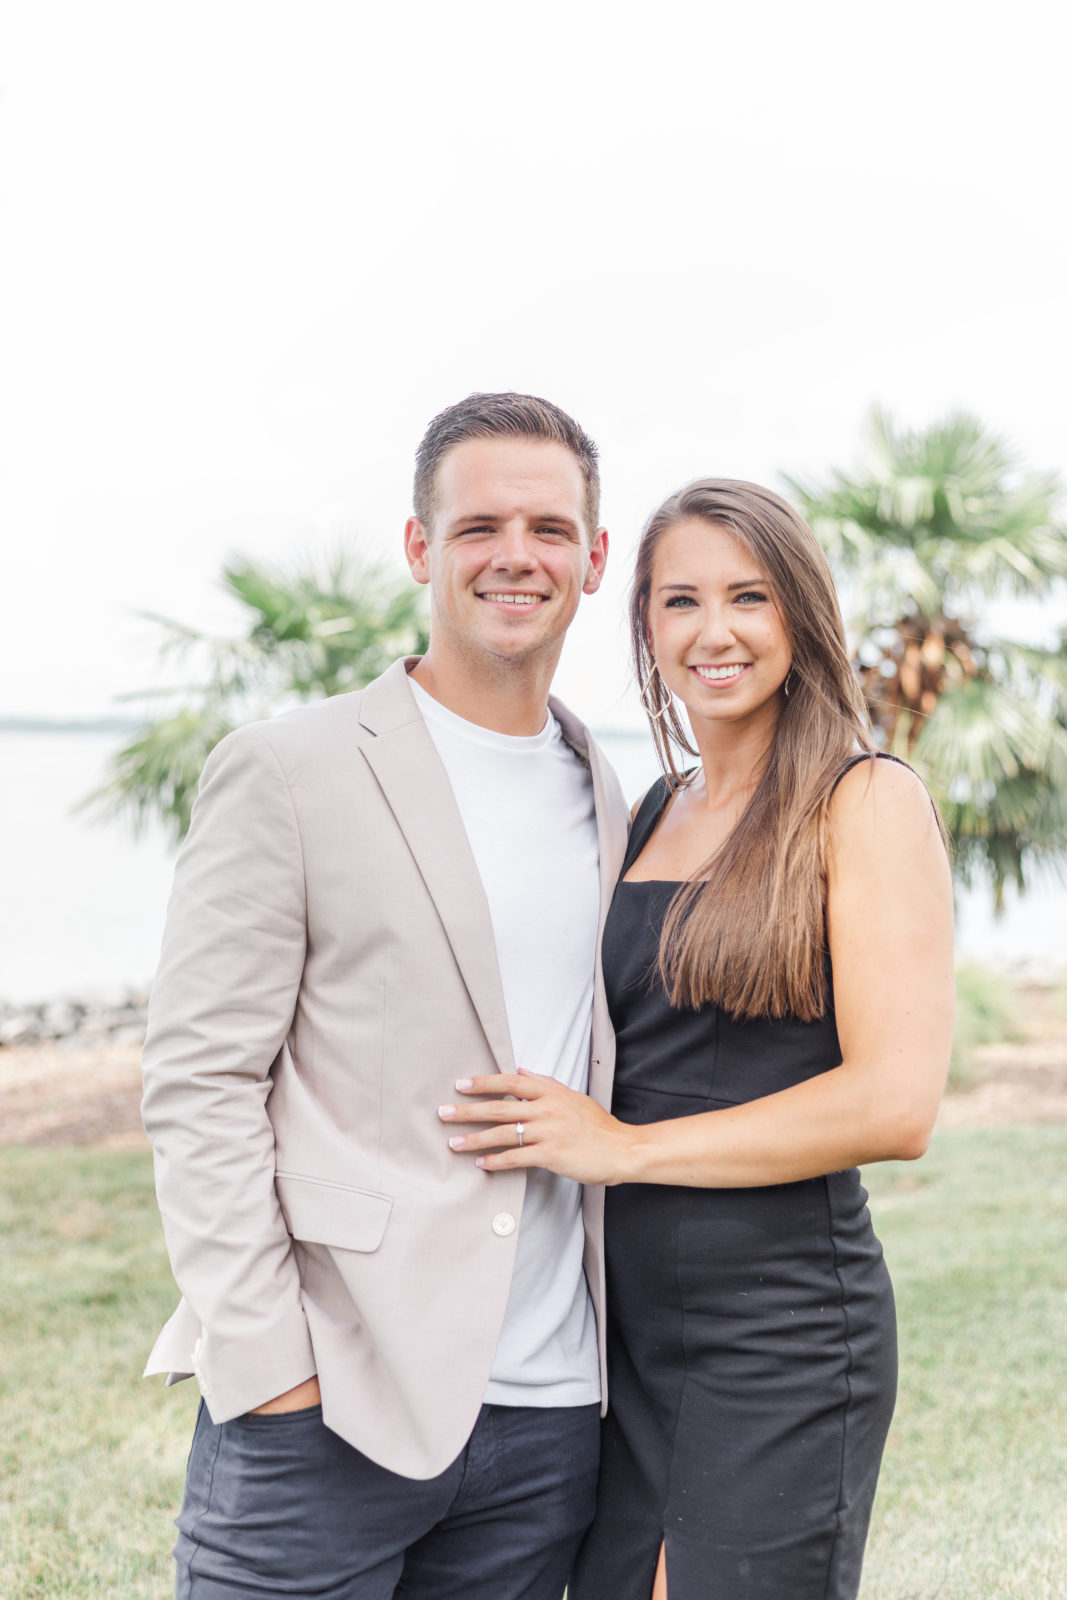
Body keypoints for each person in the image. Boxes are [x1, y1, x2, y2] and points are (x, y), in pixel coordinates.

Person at [140, 391, 630, 1599]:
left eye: (549, 529)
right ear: (419, 548)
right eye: (478, 526)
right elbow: (200, 1081)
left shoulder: (613, 796)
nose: (516, 555)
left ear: (594, 559)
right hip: (331, 1397)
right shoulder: (289, 769)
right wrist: (267, 1367)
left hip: (552, 1415)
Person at [439, 479, 955, 1600]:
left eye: (747, 597)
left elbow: (894, 1104)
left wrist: (618, 1148)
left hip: (779, 1332)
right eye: (679, 601)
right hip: (619, 1340)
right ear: (643, 626)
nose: (711, 632)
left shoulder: (859, 801)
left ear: (798, 616)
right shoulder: (649, 810)